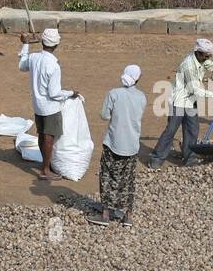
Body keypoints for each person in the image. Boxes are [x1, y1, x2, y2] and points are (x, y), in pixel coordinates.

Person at [150, 38, 213, 170]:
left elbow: (211, 65)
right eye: (206, 56)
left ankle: (189, 158)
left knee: (192, 130)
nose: (208, 58)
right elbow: (194, 89)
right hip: (179, 102)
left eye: (210, 56)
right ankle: (156, 159)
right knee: (171, 131)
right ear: (198, 52)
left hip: (191, 101)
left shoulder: (201, 60)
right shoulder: (188, 66)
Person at [87, 64, 146, 227]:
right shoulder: (142, 97)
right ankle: (128, 215)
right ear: (138, 79)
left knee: (107, 176)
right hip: (132, 145)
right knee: (128, 180)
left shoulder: (114, 94)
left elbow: (105, 116)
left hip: (113, 143)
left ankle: (106, 213)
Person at [18, 27, 77, 180]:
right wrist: (71, 93)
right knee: (49, 137)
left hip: (37, 105)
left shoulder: (34, 58)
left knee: (42, 134)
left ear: (42, 42)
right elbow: (55, 93)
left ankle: (45, 165)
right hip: (50, 107)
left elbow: (21, 65)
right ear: (56, 45)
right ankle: (45, 169)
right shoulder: (54, 66)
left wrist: (25, 44)